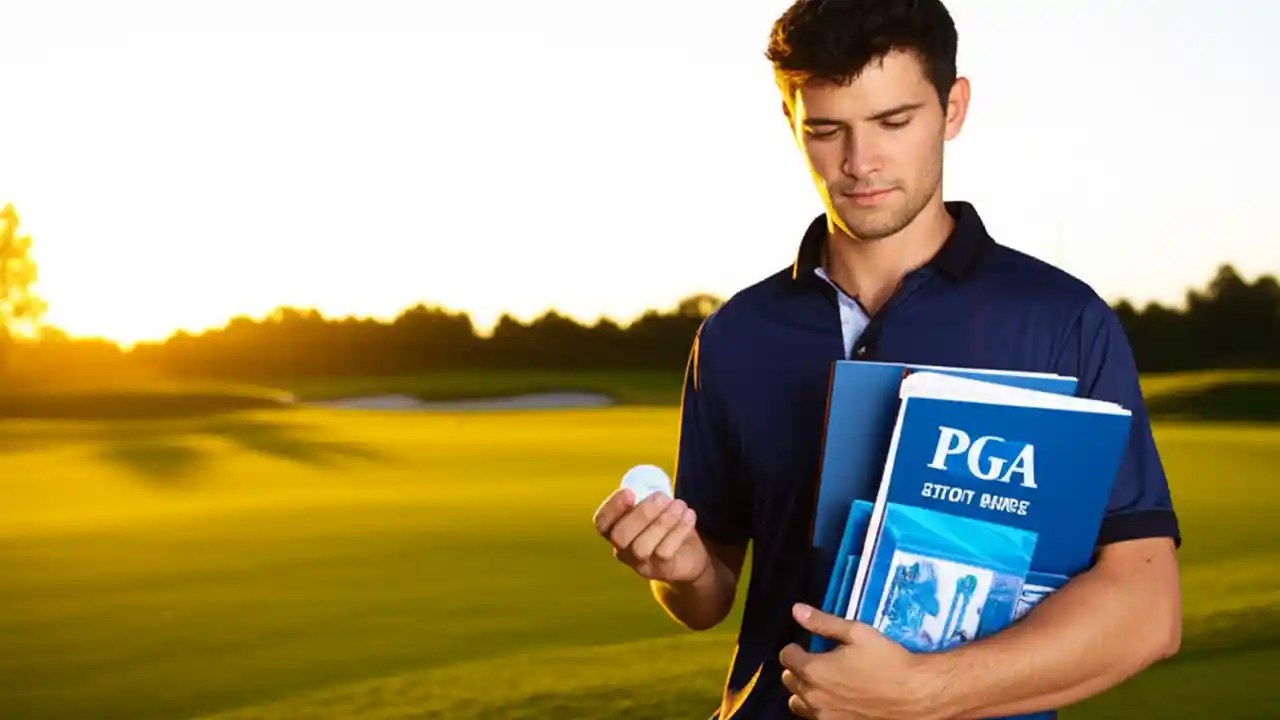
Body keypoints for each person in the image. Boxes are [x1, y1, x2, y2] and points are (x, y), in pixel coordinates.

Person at [591, 1, 1182, 717]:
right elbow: (708, 593)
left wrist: (923, 692)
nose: (859, 162)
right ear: (791, 123)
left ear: (952, 107)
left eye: (894, 123)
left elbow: (1147, 607)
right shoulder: (733, 336)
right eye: (826, 130)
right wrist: (680, 571)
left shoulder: (1062, 322)